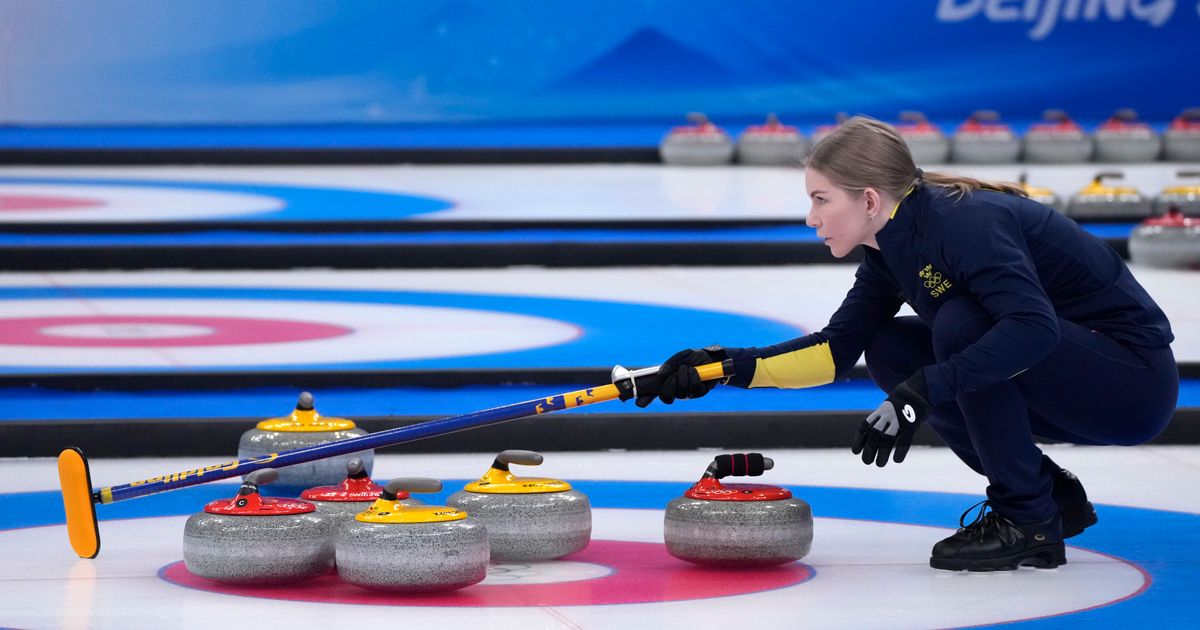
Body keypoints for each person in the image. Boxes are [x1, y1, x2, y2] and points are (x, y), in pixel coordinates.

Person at [636, 116, 1179, 571]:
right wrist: (718, 367)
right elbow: (833, 350)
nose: (812, 218)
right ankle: (1048, 495)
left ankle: (1028, 520)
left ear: (869, 199)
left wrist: (926, 389)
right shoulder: (889, 247)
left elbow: (1031, 327)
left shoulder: (965, 223)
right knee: (893, 346)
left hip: (1132, 386)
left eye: (821, 199)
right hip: (1067, 381)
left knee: (962, 326)